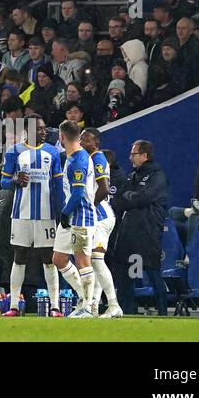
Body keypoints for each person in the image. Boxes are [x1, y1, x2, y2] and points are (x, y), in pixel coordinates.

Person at [0, 129, 63, 316]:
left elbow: (57, 184)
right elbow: (3, 182)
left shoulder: (53, 152)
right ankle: (14, 306)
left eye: (44, 128)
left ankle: (55, 307)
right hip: (21, 213)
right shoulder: (14, 151)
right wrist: (15, 180)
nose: (43, 131)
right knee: (19, 257)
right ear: (28, 130)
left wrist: (61, 210)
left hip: (46, 214)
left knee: (48, 259)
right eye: (39, 128)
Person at [112, 139, 169, 316]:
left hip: (148, 232)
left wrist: (131, 197)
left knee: (152, 272)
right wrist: (131, 197)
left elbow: (143, 198)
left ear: (144, 155)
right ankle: (127, 312)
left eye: (133, 154)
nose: (130, 158)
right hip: (129, 233)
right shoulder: (133, 175)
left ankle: (163, 313)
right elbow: (119, 201)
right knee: (126, 276)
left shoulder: (157, 175)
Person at [52, 120, 97, 318]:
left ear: (62, 137)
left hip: (81, 216)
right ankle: (82, 297)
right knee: (59, 258)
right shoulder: (71, 157)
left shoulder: (79, 160)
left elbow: (78, 193)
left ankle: (88, 307)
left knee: (82, 261)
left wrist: (64, 212)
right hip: (70, 215)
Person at [81, 129, 122, 317]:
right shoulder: (90, 157)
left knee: (96, 261)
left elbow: (104, 189)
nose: (81, 142)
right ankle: (94, 307)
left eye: (86, 140)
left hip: (101, 216)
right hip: (99, 216)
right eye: (80, 139)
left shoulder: (97, 158)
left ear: (96, 142)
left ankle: (113, 305)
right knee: (95, 262)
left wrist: (89, 207)